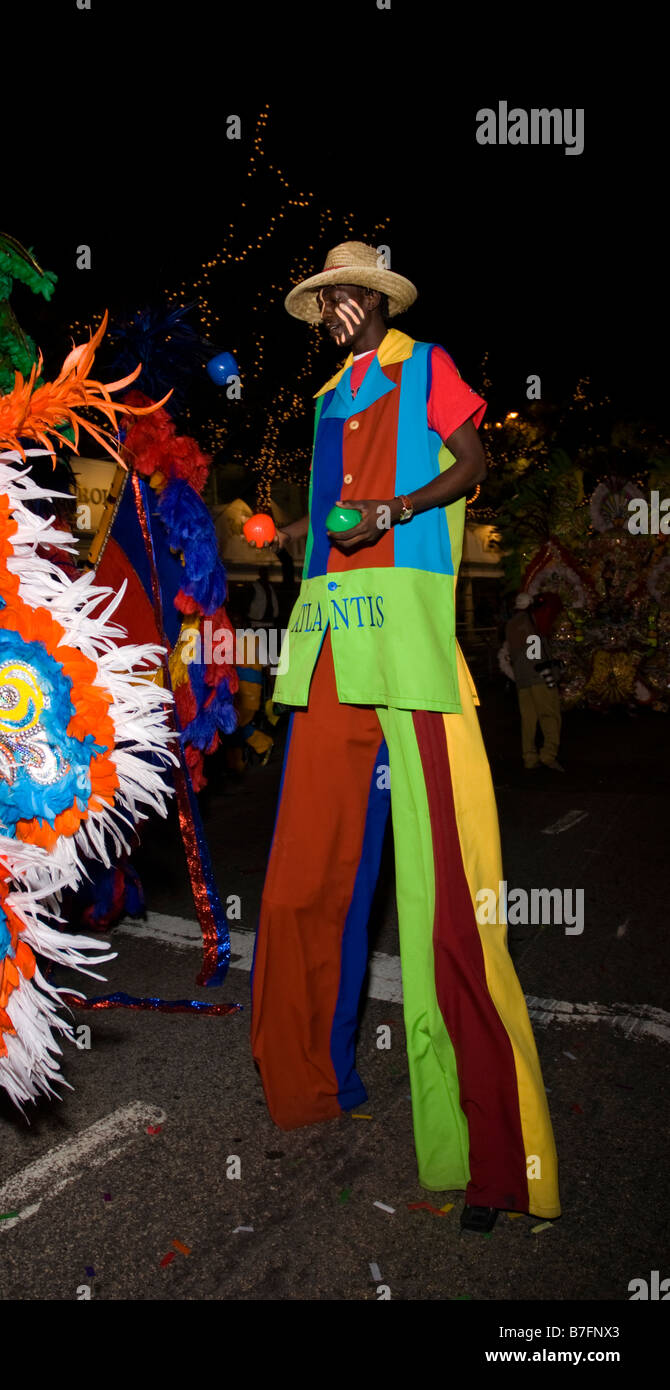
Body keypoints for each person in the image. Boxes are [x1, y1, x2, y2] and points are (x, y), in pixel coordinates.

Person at [250, 242, 560, 1231]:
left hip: (414, 650)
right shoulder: (327, 399)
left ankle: (492, 1161)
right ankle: (311, 1081)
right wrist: (293, 536)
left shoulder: (427, 367)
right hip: (336, 645)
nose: (333, 310)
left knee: (450, 907)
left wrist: (398, 505)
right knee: (306, 877)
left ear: (374, 298)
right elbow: (331, 524)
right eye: (324, 301)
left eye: (344, 295)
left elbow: (471, 466)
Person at [505, 593, 564, 770]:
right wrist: (549, 672)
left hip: (522, 680)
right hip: (538, 677)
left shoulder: (510, 624)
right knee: (550, 716)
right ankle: (548, 755)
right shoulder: (530, 621)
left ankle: (529, 757)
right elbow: (535, 651)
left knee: (528, 719)